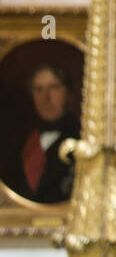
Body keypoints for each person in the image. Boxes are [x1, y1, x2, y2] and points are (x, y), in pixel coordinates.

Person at [6, 64, 79, 204]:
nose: (45, 98)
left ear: (68, 93)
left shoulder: (81, 138)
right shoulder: (22, 141)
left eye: (54, 88)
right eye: (39, 89)